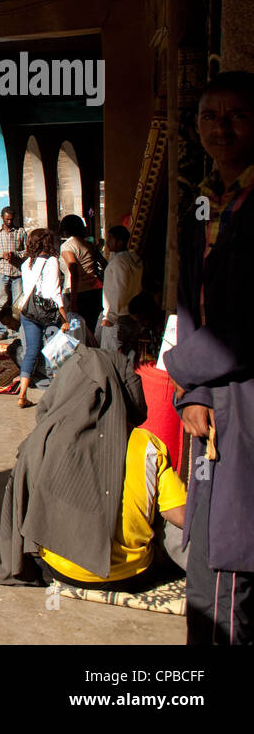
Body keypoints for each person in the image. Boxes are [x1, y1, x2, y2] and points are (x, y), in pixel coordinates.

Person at [165, 70, 254, 645]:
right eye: (207, 116)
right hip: (215, 395)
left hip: (245, 401)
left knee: (223, 581)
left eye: (236, 115)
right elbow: (190, 300)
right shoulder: (208, 203)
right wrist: (194, 394)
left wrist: (179, 371)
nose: (219, 128)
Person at [0, 324, 172, 589]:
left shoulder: (40, 442)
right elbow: (179, 513)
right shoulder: (147, 444)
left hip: (58, 570)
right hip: (129, 575)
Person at [14, 228, 68, 408]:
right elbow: (54, 292)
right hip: (47, 313)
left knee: (31, 352)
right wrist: (64, 318)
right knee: (55, 352)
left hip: (28, 313)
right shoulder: (52, 261)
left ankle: (22, 395)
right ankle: (58, 396)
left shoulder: (26, 263)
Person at [97, 225, 143, 355]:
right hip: (131, 314)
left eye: (110, 239)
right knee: (129, 355)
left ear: (120, 242)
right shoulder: (132, 259)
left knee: (112, 357)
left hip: (117, 316)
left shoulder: (119, 263)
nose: (107, 243)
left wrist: (110, 317)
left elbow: (119, 290)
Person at [0, 206, 26, 340]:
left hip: (17, 272)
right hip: (2, 271)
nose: (9, 222)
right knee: (2, 302)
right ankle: (2, 330)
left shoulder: (20, 232)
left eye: (11, 219)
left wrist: (15, 255)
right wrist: (1, 255)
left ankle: (15, 330)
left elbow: (26, 251)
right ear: (2, 218)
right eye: (7, 219)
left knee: (16, 304)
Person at [59, 214, 105, 330]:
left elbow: (74, 271)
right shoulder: (89, 245)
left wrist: (73, 301)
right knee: (92, 327)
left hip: (77, 293)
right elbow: (104, 264)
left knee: (77, 329)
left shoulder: (67, 246)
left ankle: (82, 348)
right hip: (95, 291)